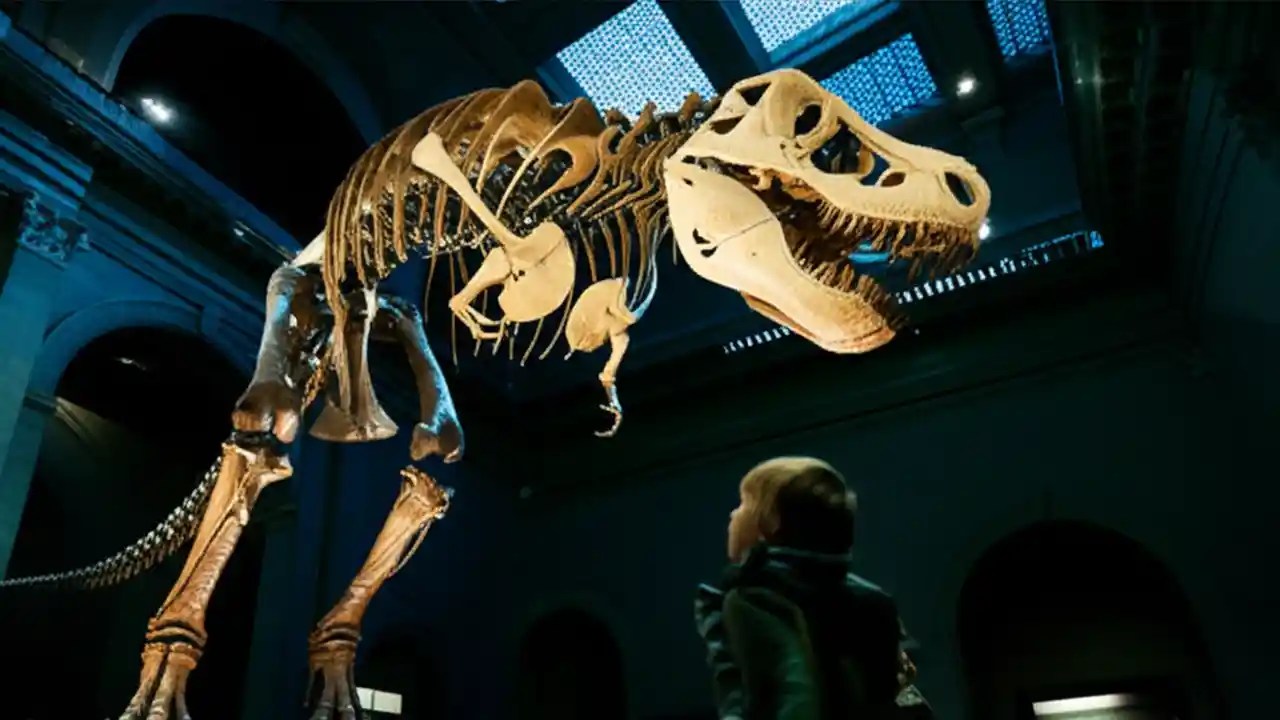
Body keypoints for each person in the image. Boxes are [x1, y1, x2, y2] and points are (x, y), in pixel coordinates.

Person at [694, 456, 932, 719]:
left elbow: (792, 692)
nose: (733, 513)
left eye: (744, 503)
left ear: (769, 524)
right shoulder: (869, 598)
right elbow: (899, 692)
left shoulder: (754, 599)